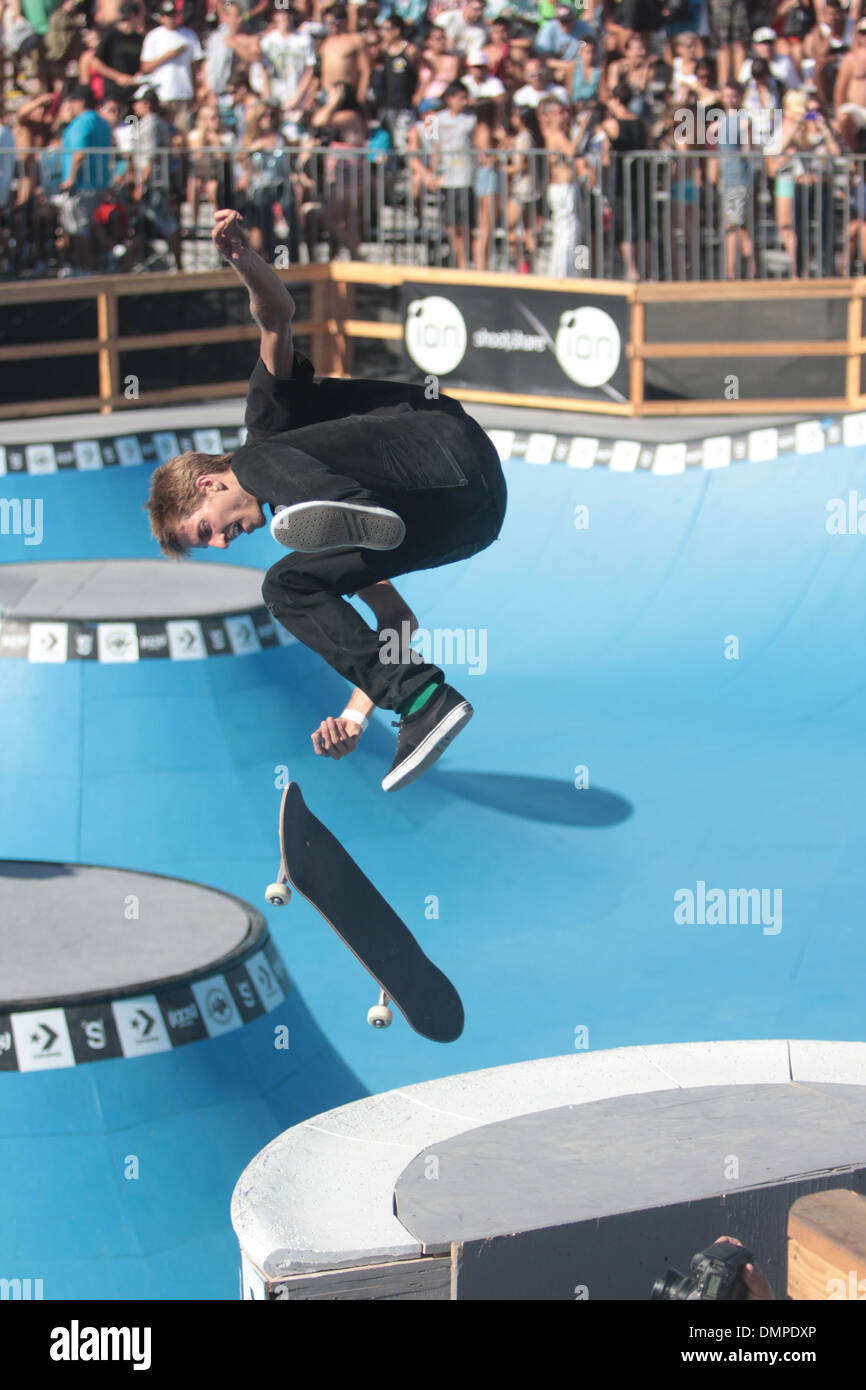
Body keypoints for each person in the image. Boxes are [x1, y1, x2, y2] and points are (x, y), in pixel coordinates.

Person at [146, 208, 507, 793]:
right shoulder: (315, 526)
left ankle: (344, 499)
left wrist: (243, 260)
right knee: (287, 584)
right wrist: (354, 714)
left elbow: (278, 317)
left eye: (206, 529)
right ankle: (419, 698)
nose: (222, 542)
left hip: (443, 449)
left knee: (258, 460)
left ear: (206, 486)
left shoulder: (265, 428)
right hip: (469, 521)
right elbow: (395, 618)